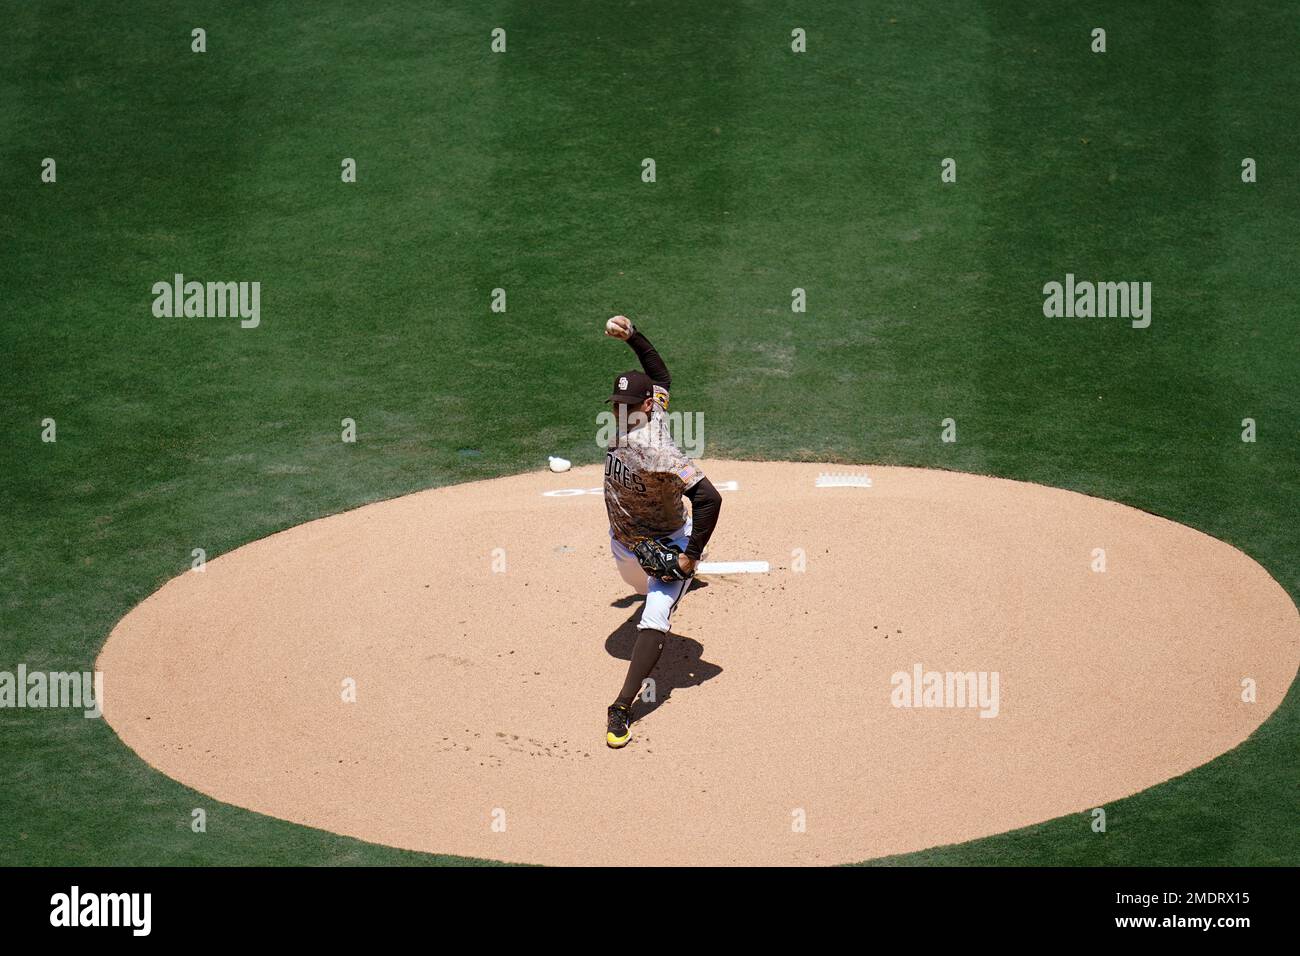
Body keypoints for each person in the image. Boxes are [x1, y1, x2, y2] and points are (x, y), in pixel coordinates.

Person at [601, 315, 722, 748]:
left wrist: (689, 555)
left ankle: (621, 708)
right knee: (640, 586)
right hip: (624, 547)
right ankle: (673, 582)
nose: (619, 410)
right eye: (616, 403)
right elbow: (661, 375)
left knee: (655, 614)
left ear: (647, 407)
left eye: (628, 405)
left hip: (665, 541)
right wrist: (634, 337)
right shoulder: (634, 414)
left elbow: (711, 498)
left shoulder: (661, 450)